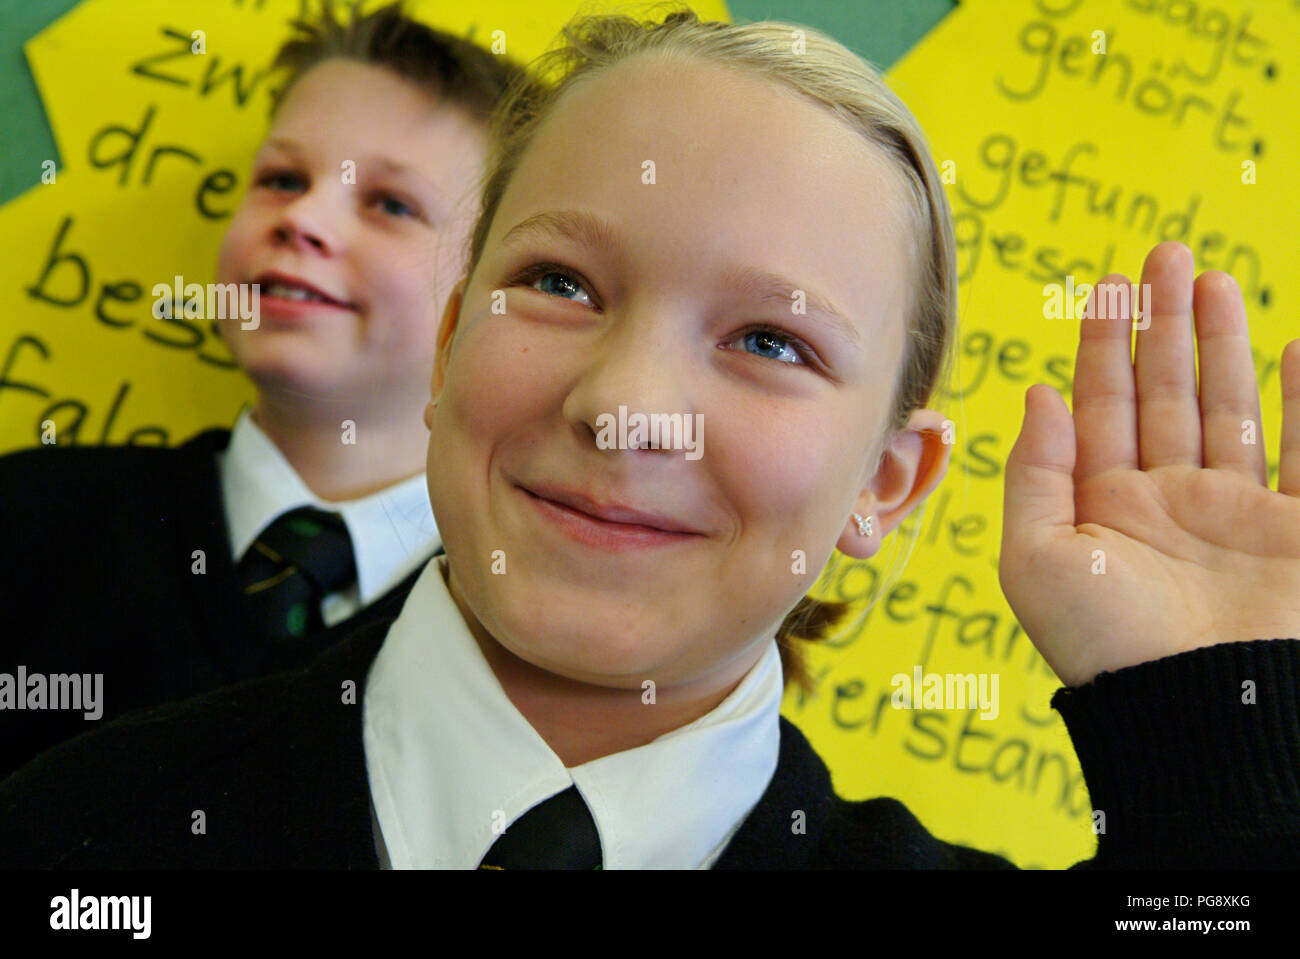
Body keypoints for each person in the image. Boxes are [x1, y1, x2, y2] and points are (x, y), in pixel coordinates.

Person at [3, 6, 1298, 869]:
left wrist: (1207, 732)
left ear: (884, 488)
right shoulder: (77, 832)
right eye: (562, 284)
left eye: (771, 342)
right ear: (449, 351)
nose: (626, 400)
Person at [0, 1, 524, 778]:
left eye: (390, 203)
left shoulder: (522, 623)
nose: (304, 216)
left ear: (491, 289)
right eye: (281, 179)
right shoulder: (27, 513)